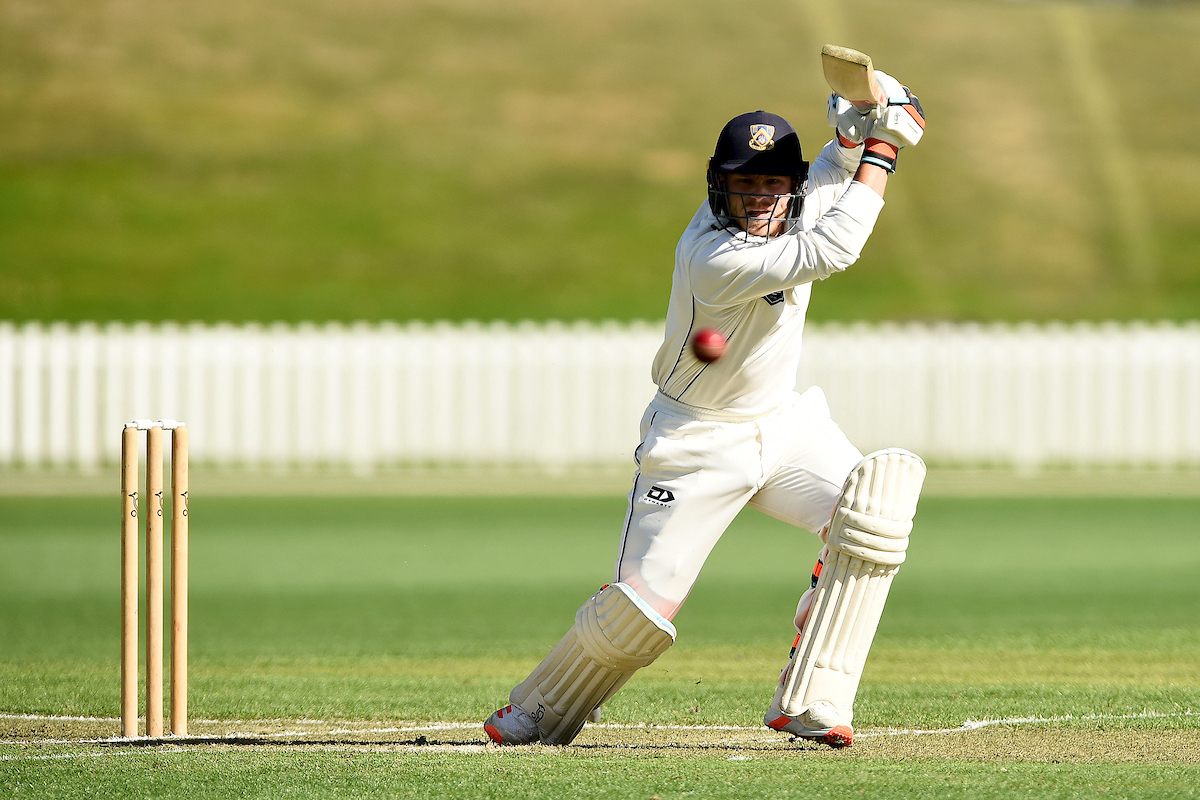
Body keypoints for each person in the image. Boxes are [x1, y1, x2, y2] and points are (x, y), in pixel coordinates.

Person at [485, 69, 928, 748]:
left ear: (790, 187)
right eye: (744, 185)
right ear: (720, 187)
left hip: (782, 427)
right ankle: (538, 708)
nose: (759, 199)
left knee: (874, 514)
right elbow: (835, 247)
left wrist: (849, 138)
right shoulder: (712, 257)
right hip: (694, 443)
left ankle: (814, 698)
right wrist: (885, 147)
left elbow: (826, 183)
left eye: (773, 185)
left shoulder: (793, 204)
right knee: (638, 615)